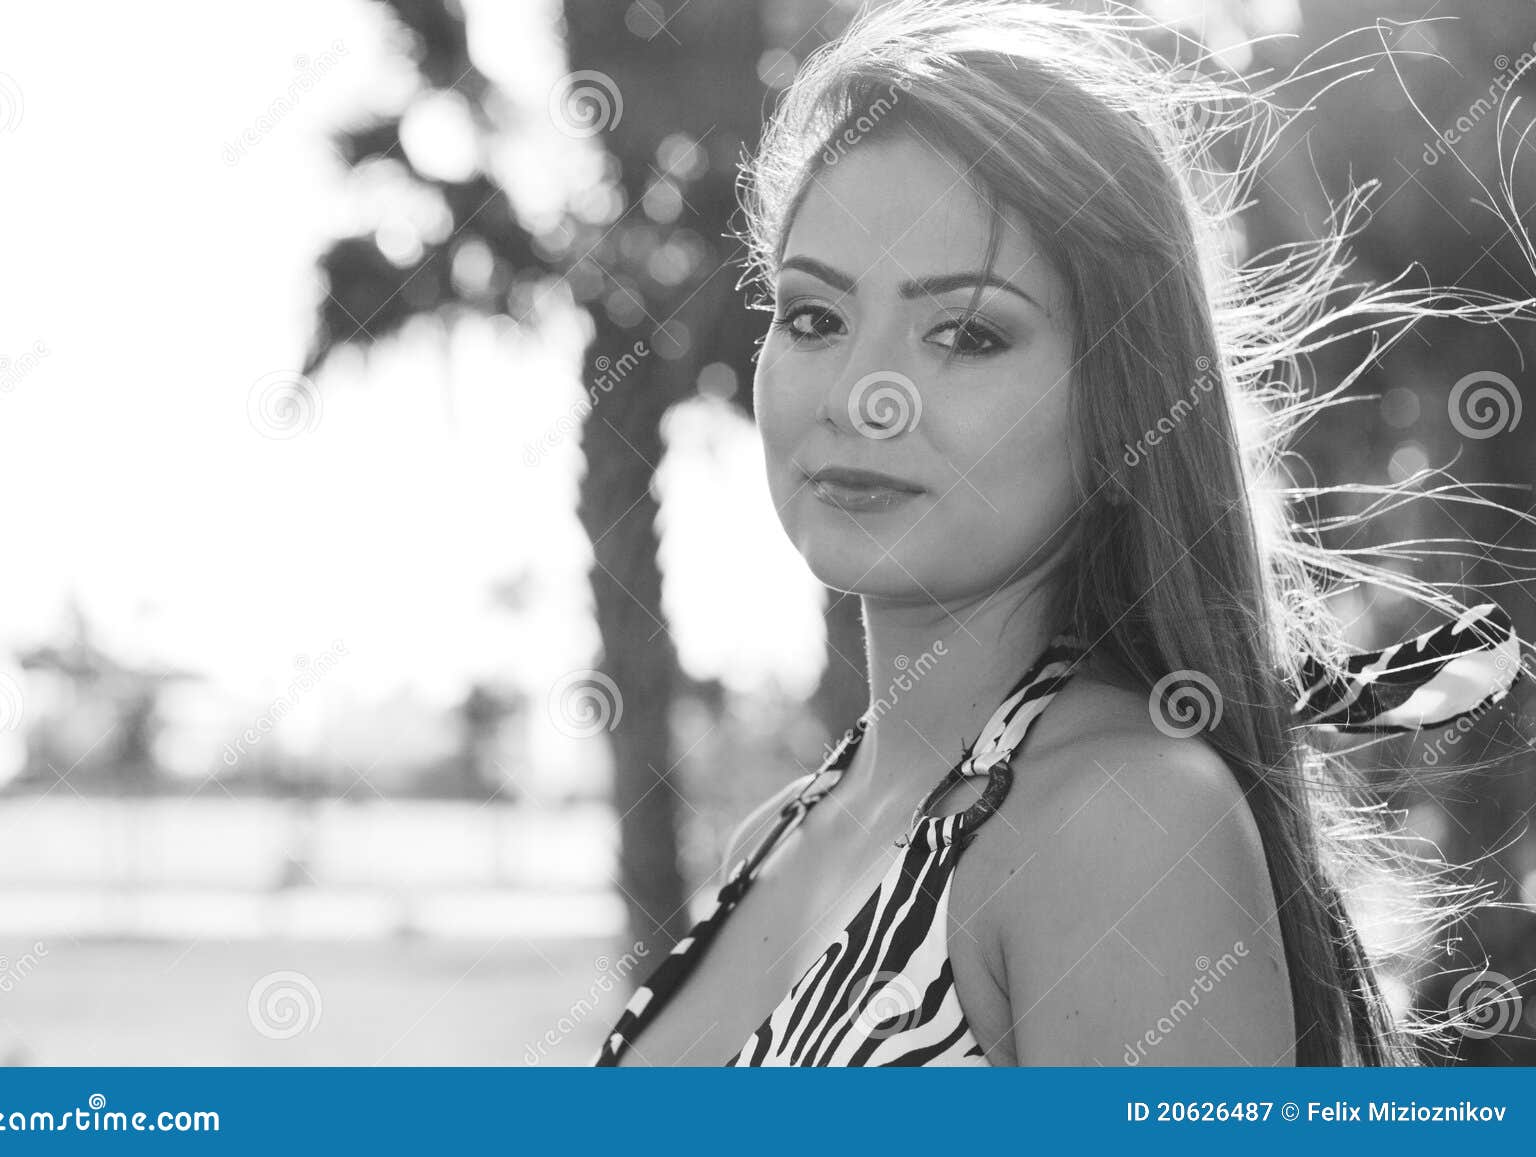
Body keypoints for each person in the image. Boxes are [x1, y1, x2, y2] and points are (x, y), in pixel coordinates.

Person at [592, 0, 1530, 1067]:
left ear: (1119, 404)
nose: (863, 396)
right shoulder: (773, 839)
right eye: (814, 316)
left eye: (967, 332)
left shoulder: (1124, 820)